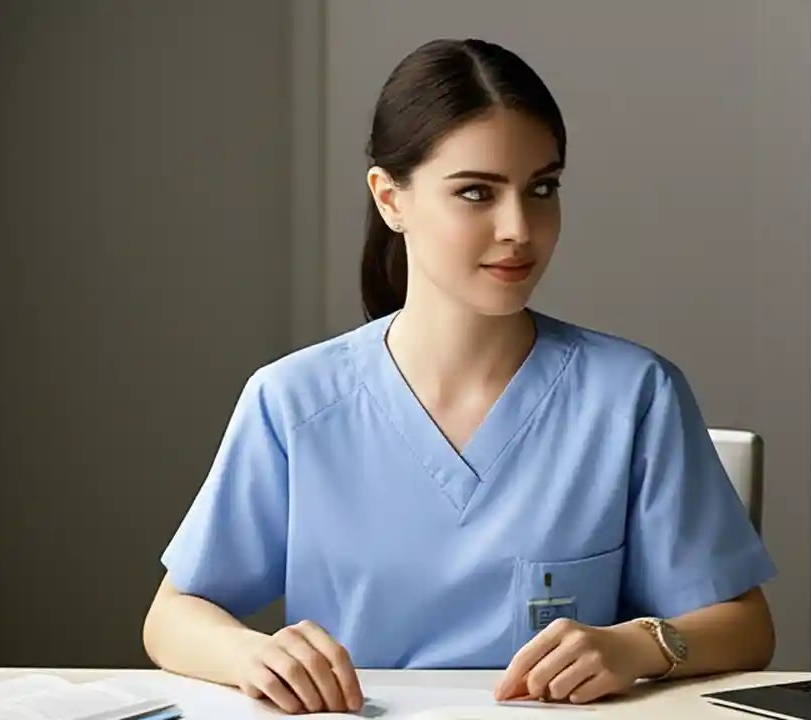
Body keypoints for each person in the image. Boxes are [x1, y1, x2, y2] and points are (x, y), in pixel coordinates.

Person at [142, 38, 776, 714]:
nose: (519, 229)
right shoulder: (294, 401)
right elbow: (174, 614)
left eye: (542, 189)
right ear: (391, 199)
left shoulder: (634, 396)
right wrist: (251, 654)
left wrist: (635, 645)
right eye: (477, 192)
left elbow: (746, 626)